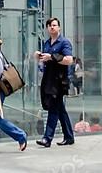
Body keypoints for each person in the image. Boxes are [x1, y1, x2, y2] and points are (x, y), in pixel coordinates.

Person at [34, 17, 74, 147]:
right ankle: (69, 136)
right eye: (50, 25)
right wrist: (40, 57)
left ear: (59, 27)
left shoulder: (64, 43)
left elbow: (69, 60)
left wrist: (51, 57)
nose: (52, 27)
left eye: (54, 25)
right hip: (48, 79)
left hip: (59, 81)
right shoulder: (47, 43)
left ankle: (47, 138)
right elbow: (46, 61)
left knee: (53, 109)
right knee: (60, 109)